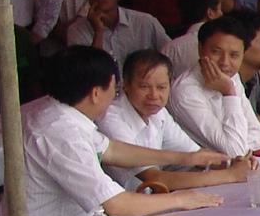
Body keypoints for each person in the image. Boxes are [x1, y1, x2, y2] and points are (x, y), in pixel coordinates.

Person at [3, 47, 226, 216]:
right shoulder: (62, 133)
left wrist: (185, 157)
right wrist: (180, 199)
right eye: (114, 87)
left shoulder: (63, 114)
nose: (115, 95)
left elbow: (112, 150)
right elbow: (116, 204)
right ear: (96, 93)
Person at [100, 50, 250, 191]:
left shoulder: (159, 113)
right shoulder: (111, 118)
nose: (154, 95)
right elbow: (155, 179)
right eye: (144, 87)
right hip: (124, 211)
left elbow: (196, 156)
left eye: (161, 87)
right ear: (125, 85)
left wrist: (234, 162)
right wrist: (230, 175)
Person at [168, 13, 260, 155]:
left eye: (234, 55)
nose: (225, 62)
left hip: (237, 166)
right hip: (194, 173)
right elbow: (234, 152)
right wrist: (229, 93)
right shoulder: (185, 91)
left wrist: (243, 149)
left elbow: (257, 132)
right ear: (200, 49)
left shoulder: (230, 77)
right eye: (216, 52)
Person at [65, 0, 168, 63]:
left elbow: (171, 54)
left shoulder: (145, 22)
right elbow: (89, 74)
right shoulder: (76, 30)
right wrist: (98, 32)